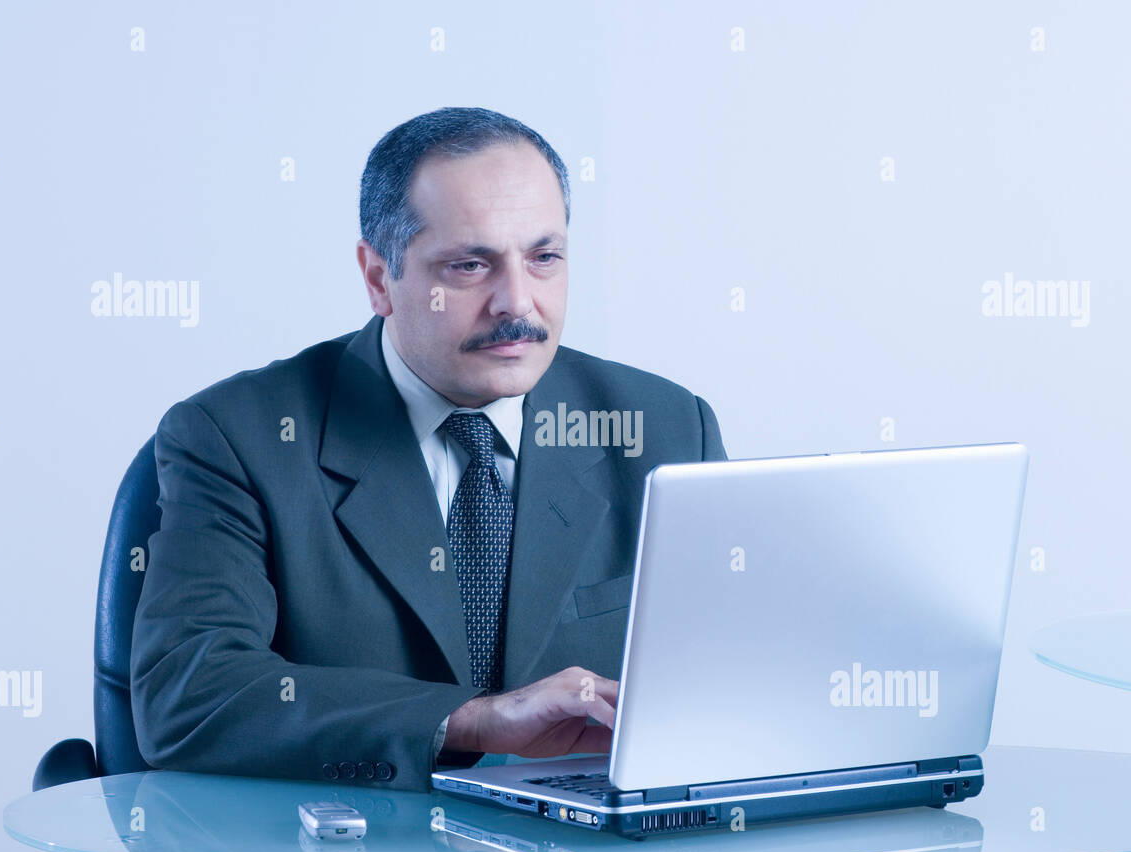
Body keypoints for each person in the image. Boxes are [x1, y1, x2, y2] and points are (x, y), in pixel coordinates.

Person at [131, 106, 726, 791]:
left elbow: (740, 677)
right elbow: (187, 695)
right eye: (471, 265)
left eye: (544, 258)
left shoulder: (668, 429)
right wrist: (465, 720)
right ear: (379, 277)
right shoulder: (237, 436)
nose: (518, 304)